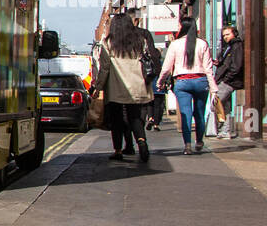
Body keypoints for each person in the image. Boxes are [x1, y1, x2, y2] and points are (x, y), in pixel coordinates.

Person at [93, 13, 152, 162]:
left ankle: (118, 150)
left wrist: (98, 87)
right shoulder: (140, 40)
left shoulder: (109, 43)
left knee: (117, 120)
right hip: (136, 85)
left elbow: (104, 68)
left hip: (116, 87)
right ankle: (142, 142)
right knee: (135, 117)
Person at [158, 16, 219, 154]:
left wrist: (160, 82)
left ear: (183, 27)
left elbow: (167, 68)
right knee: (199, 113)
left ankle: (187, 146)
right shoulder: (203, 44)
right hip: (201, 81)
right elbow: (208, 68)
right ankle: (199, 141)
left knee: (185, 113)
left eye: (179, 26)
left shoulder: (175, 44)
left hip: (182, 82)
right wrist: (213, 88)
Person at [213, 23, 244, 139]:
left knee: (216, 103)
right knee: (224, 106)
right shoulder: (229, 46)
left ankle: (224, 129)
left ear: (234, 33)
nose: (226, 37)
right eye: (224, 35)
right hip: (226, 80)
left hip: (229, 81)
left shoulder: (237, 46)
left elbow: (236, 65)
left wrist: (226, 79)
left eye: (228, 34)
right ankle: (225, 130)